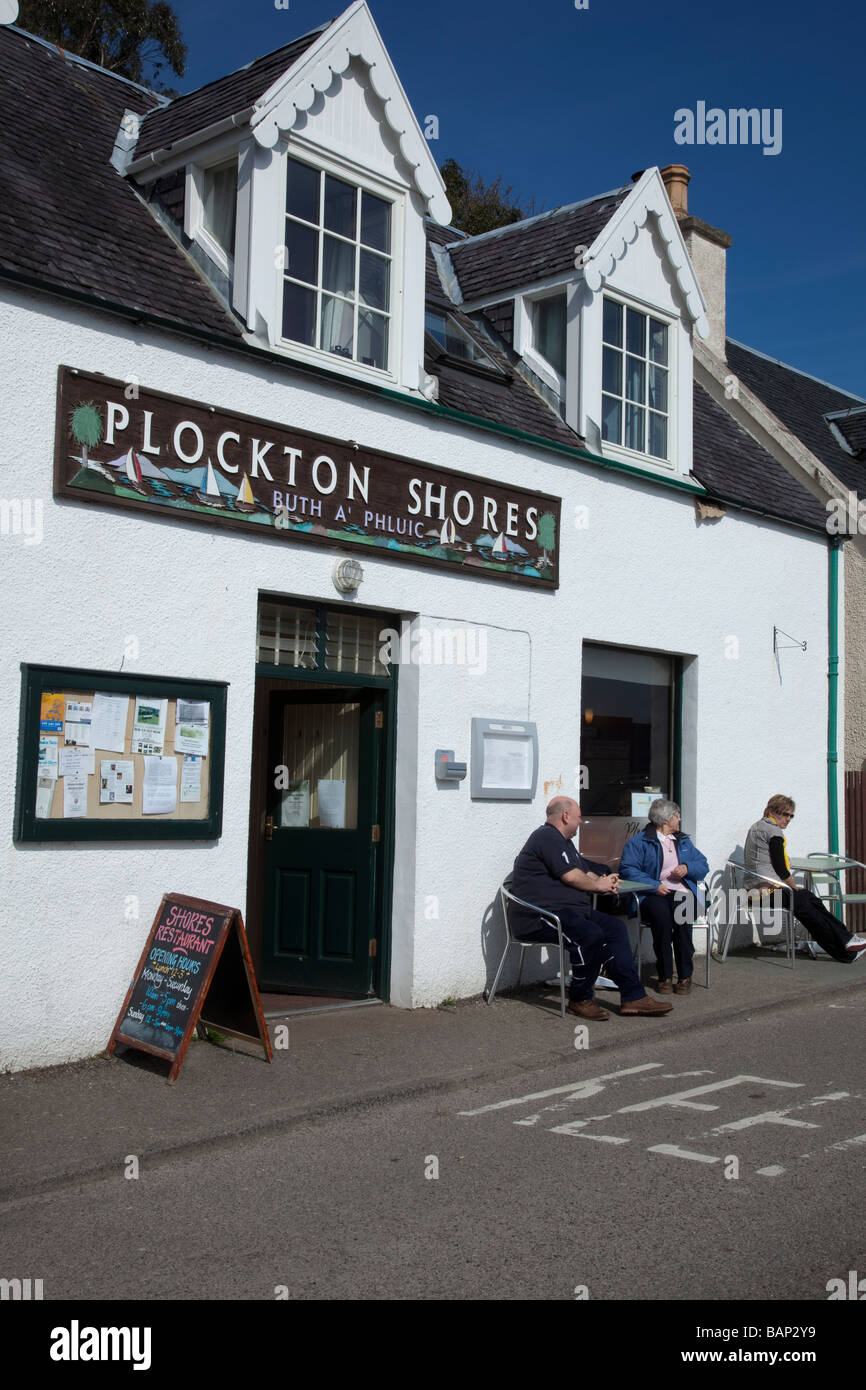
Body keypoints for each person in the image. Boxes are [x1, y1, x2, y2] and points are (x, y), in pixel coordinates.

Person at [509, 796, 672, 1020]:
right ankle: (580, 998)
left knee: (614, 928)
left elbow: (585, 870)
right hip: (539, 915)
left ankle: (633, 996)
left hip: (569, 912)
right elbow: (572, 876)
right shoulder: (546, 837)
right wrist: (597, 885)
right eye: (578, 817)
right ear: (565, 816)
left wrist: (607, 879)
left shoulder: (564, 843)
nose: (580, 822)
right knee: (590, 935)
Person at [744, 794, 866, 962]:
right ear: (772, 811)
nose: (788, 819)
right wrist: (794, 887)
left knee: (809, 898)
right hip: (763, 892)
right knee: (803, 902)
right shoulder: (773, 832)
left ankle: (847, 942)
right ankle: (846, 946)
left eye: (791, 815)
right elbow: (781, 870)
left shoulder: (756, 827)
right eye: (785, 814)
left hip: (756, 889)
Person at [619, 799, 709, 994]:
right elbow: (627, 870)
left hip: (682, 892)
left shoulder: (683, 841)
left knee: (683, 920)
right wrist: (654, 885)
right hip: (654, 893)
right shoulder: (640, 841)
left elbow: (703, 864)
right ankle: (665, 976)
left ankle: (685, 976)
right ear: (666, 819)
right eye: (677, 816)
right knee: (662, 917)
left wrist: (687, 868)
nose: (680, 819)